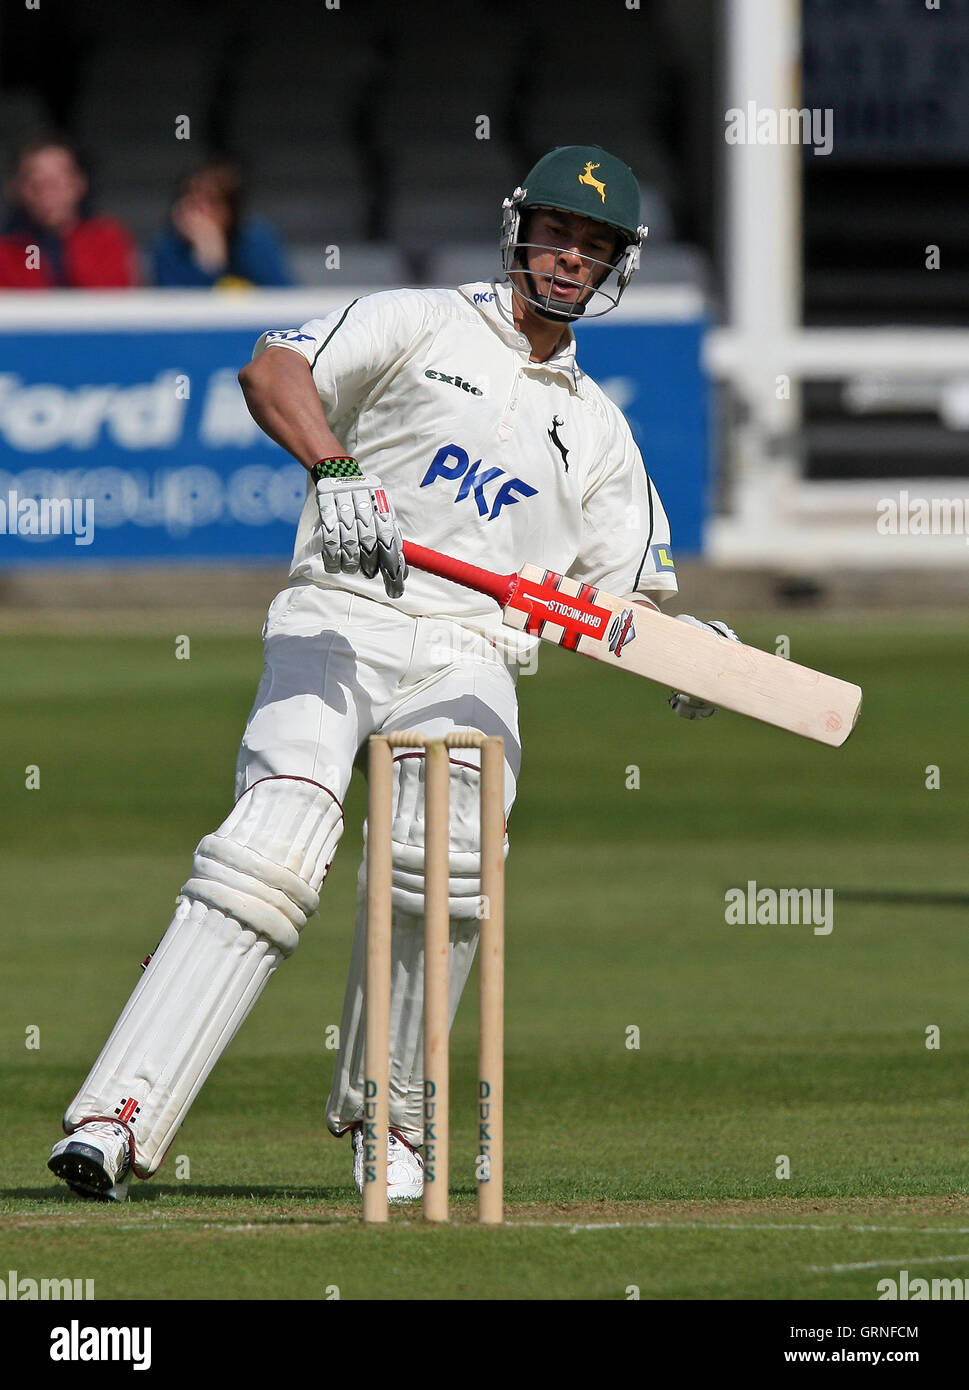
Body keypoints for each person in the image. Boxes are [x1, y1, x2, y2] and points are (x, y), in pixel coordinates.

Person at [47, 144, 736, 1203]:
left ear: (616, 270)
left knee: (448, 867)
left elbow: (622, 602)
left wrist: (695, 658)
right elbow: (273, 371)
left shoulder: (600, 431)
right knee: (268, 850)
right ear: (519, 232)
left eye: (594, 246)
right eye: (556, 232)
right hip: (342, 612)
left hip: (473, 652)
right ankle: (117, 1116)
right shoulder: (421, 318)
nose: (569, 259)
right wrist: (336, 468)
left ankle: (393, 1124)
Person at [0, 137, 138, 289]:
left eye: (56, 182)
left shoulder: (107, 238)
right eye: (36, 184)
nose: (46, 194)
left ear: (79, 183)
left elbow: (113, 297)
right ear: (18, 188)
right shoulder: (7, 249)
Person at [152, 160, 292, 289]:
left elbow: (280, 296)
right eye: (190, 200)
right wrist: (208, 260)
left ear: (231, 210)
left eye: (211, 201)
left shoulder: (255, 240)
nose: (197, 211)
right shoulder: (169, 246)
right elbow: (177, 305)